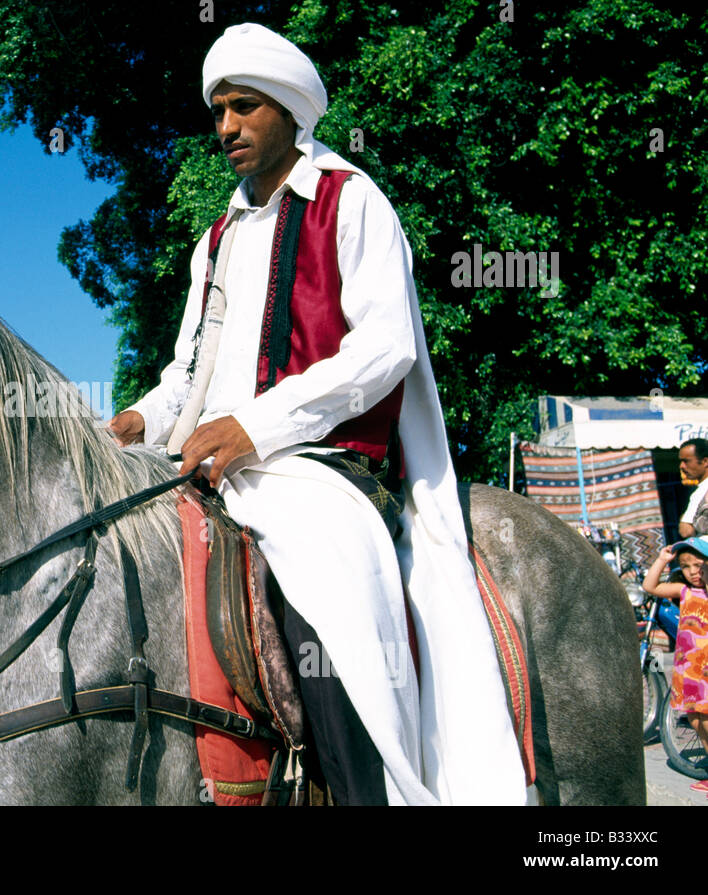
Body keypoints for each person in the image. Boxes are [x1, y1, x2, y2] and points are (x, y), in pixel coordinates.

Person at [107, 23, 525, 804]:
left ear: (291, 110)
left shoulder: (352, 199)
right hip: (210, 465)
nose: (225, 127)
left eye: (243, 107)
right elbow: (187, 374)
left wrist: (255, 428)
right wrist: (138, 417)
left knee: (327, 603)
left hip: (321, 472)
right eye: (218, 111)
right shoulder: (216, 239)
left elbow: (386, 348)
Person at [642, 538, 708, 794]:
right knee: (694, 720)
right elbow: (650, 586)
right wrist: (661, 560)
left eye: (699, 565)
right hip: (689, 668)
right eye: (687, 566)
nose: (694, 571)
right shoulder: (684, 591)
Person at [678, 439, 708, 538]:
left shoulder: (701, 491)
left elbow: (686, 531)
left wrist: (684, 516)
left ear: (705, 461)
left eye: (686, 461)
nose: (681, 466)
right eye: (681, 461)